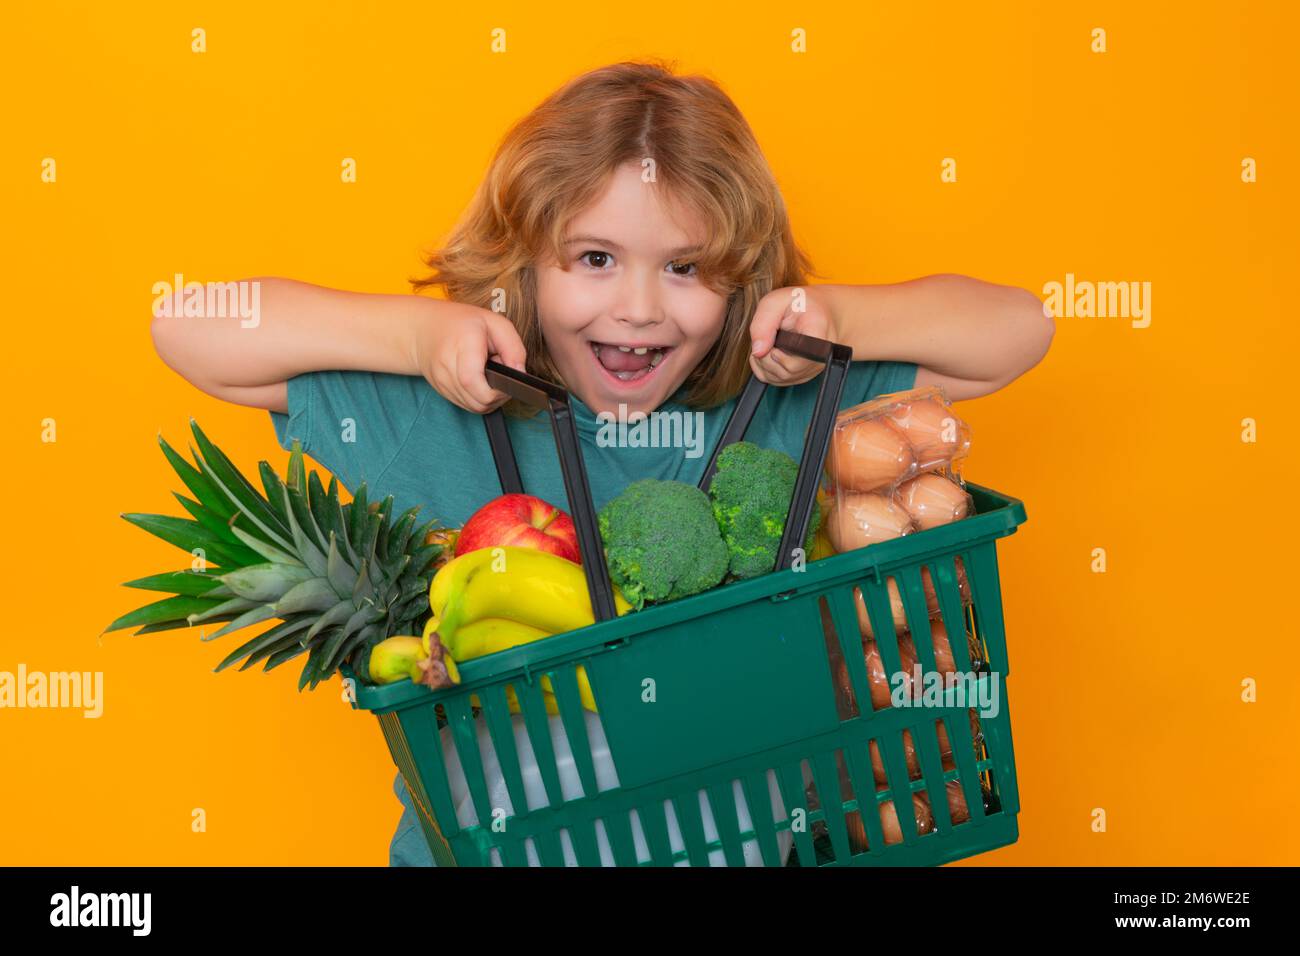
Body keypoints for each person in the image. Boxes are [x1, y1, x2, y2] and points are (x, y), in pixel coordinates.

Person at [150, 59, 1053, 867]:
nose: (637, 308)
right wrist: (418, 333)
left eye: (687, 269)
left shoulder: (784, 409)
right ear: (526, 269)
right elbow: (188, 326)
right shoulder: (449, 413)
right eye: (593, 258)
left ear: (741, 282)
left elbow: (1017, 332)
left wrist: (841, 320)